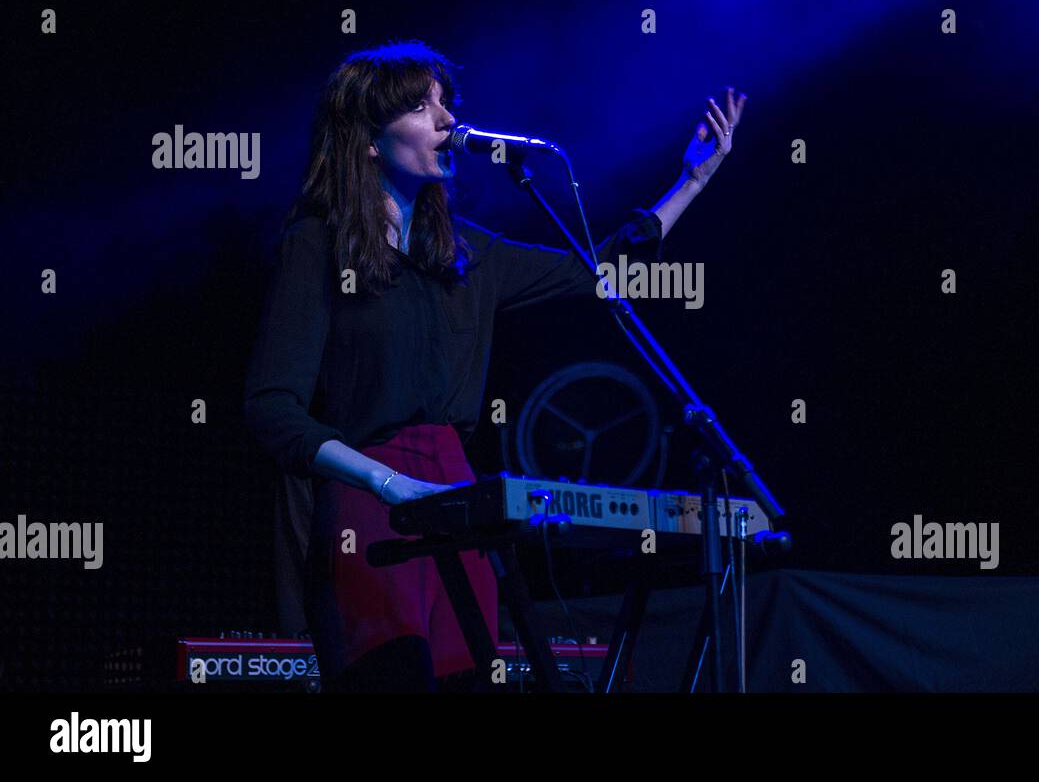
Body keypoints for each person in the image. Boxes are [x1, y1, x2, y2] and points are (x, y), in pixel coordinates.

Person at [243, 39, 746, 691]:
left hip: (458, 498)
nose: (448, 119)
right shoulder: (316, 245)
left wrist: (693, 181)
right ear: (369, 140)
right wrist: (384, 481)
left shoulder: (469, 254)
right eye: (423, 107)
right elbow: (271, 407)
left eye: (445, 101)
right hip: (369, 506)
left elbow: (598, 272)